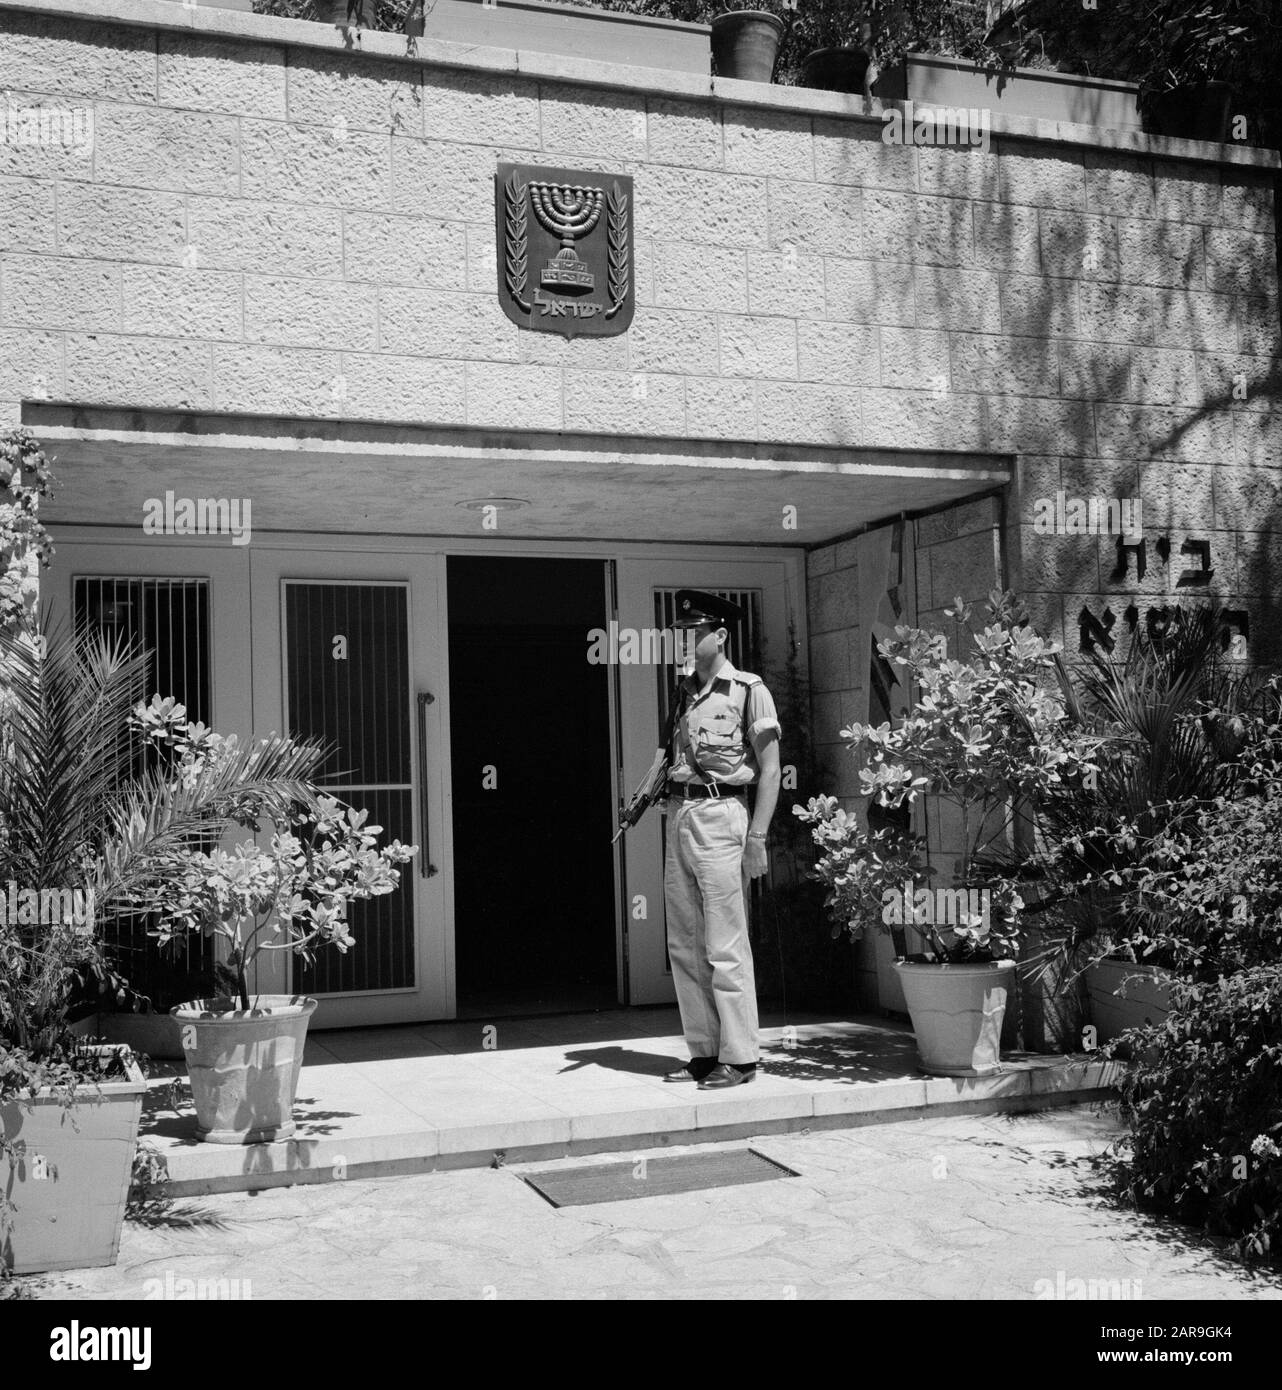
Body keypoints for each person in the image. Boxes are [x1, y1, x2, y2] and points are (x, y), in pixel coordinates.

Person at [661, 589, 782, 1090]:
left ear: (721, 635)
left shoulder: (748, 689)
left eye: (695, 633)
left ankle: (741, 1055)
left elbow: (771, 769)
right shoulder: (684, 692)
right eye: (682, 634)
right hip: (682, 814)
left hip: (724, 815)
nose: (686, 642)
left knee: (726, 944)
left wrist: (757, 836)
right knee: (684, 944)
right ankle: (705, 1051)